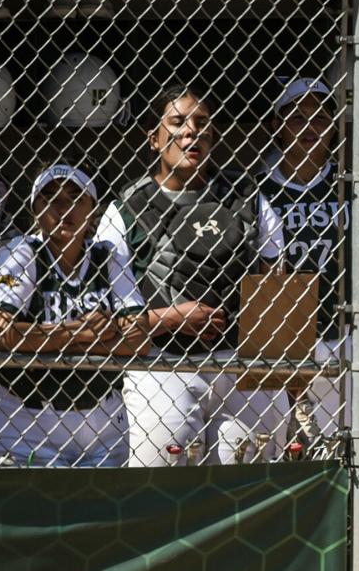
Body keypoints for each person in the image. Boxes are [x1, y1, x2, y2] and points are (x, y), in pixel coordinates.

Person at [96, 84, 290, 466]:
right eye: (177, 122)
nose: (191, 131)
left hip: (240, 359)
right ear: (154, 138)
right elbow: (108, 318)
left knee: (250, 475)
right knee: (164, 479)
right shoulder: (126, 209)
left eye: (202, 122)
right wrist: (171, 318)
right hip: (161, 362)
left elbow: (277, 289)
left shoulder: (246, 198)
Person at [256, 77, 359, 437]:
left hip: (347, 343)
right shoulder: (256, 190)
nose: (310, 127)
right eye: (297, 117)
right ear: (276, 124)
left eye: (320, 117)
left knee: (347, 461)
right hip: (277, 346)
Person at [0, 164, 149, 467]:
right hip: (28, 422)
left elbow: (138, 338)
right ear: (35, 209)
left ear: (92, 209)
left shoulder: (108, 256)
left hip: (103, 422)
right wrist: (78, 331)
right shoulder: (21, 251)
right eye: (51, 199)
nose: (64, 208)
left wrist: (42, 340)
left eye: (75, 198)